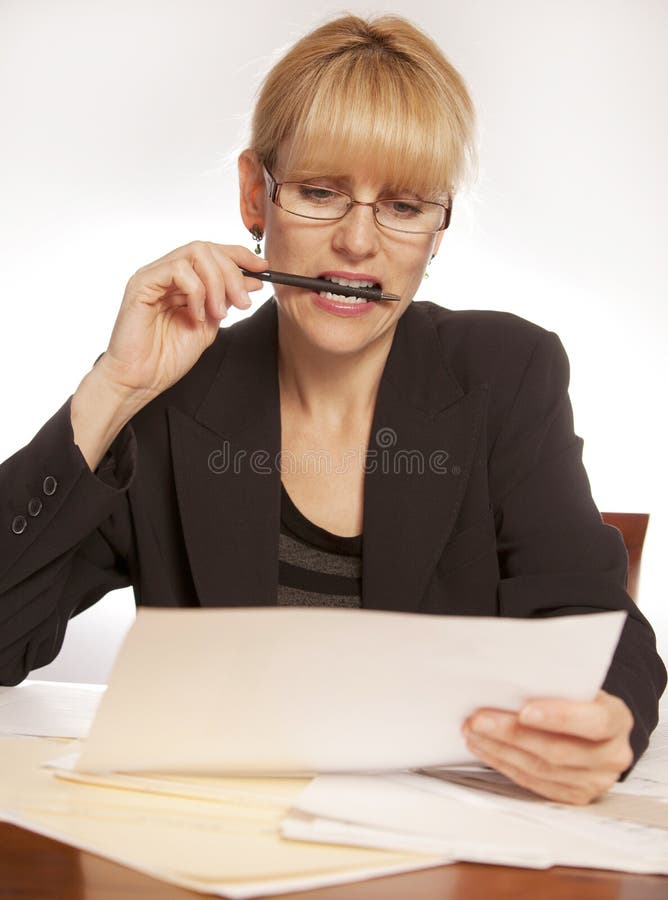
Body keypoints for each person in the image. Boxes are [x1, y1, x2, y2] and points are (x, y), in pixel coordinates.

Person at [0, 14, 664, 805]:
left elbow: (598, 628)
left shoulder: (507, 372)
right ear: (257, 193)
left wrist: (610, 719)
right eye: (320, 193)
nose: (358, 244)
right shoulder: (171, 397)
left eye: (406, 206)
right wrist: (114, 388)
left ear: (437, 227)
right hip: (214, 847)